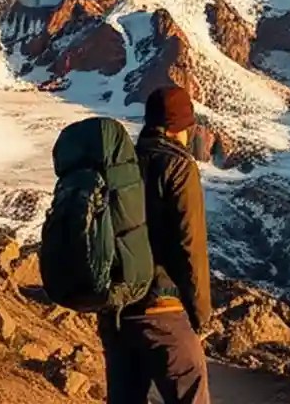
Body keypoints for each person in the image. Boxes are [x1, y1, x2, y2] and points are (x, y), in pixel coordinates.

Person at [99, 85, 212, 404]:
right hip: (163, 310)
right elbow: (191, 247)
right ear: (182, 129)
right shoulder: (178, 166)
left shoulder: (120, 167)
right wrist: (200, 315)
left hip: (118, 312)